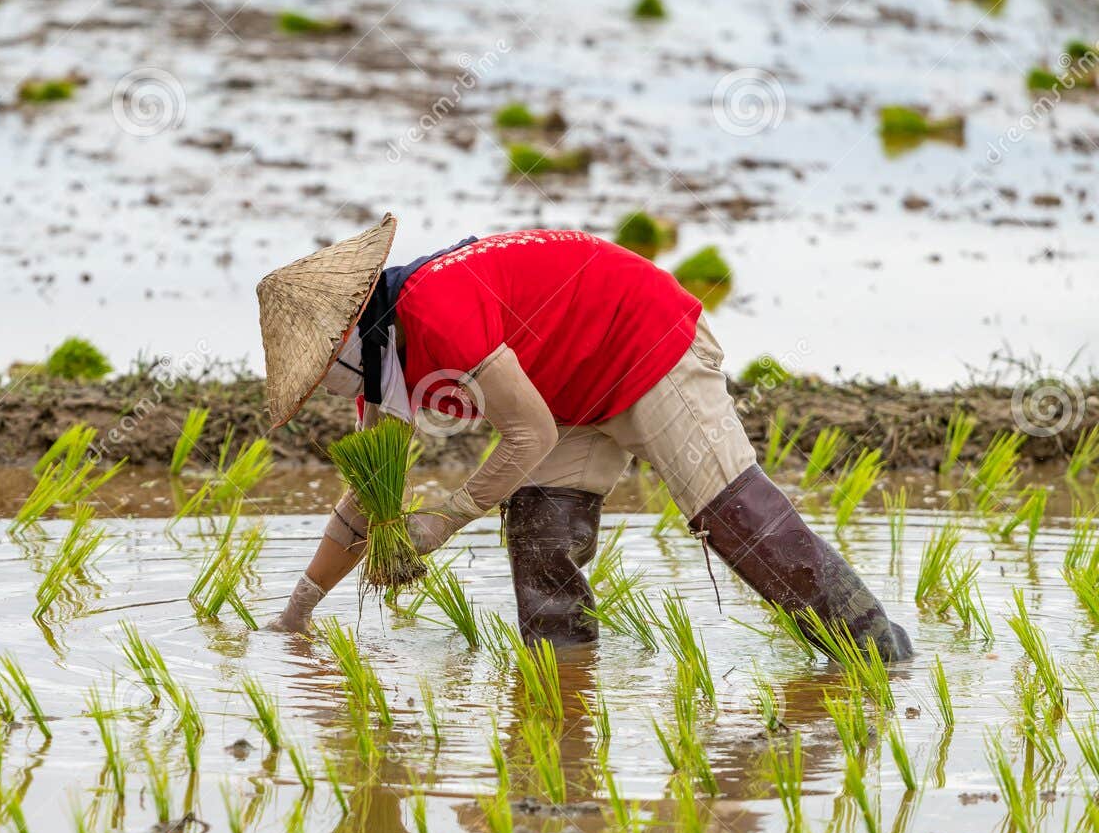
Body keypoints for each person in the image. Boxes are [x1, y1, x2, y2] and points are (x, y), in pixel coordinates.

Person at [255, 213, 912, 661]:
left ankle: (881, 653)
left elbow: (528, 433)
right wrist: (295, 614)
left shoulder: (435, 311)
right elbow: (365, 500)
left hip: (645, 346)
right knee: (541, 535)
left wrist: (444, 520)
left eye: (319, 375)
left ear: (347, 335)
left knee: (737, 520)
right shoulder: (382, 366)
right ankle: (567, 691)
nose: (323, 391)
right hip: (574, 389)